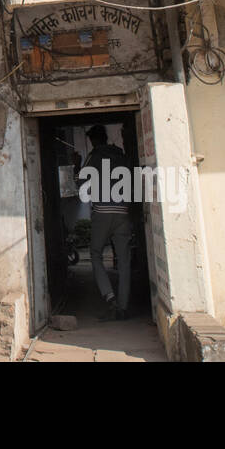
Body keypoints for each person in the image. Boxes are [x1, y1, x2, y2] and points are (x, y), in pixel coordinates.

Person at [79, 125, 135, 321]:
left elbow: (81, 183)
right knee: (124, 261)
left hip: (102, 211)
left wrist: (78, 164)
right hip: (123, 212)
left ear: (93, 140)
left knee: (95, 254)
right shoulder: (121, 155)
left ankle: (109, 297)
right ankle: (123, 306)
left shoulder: (94, 157)